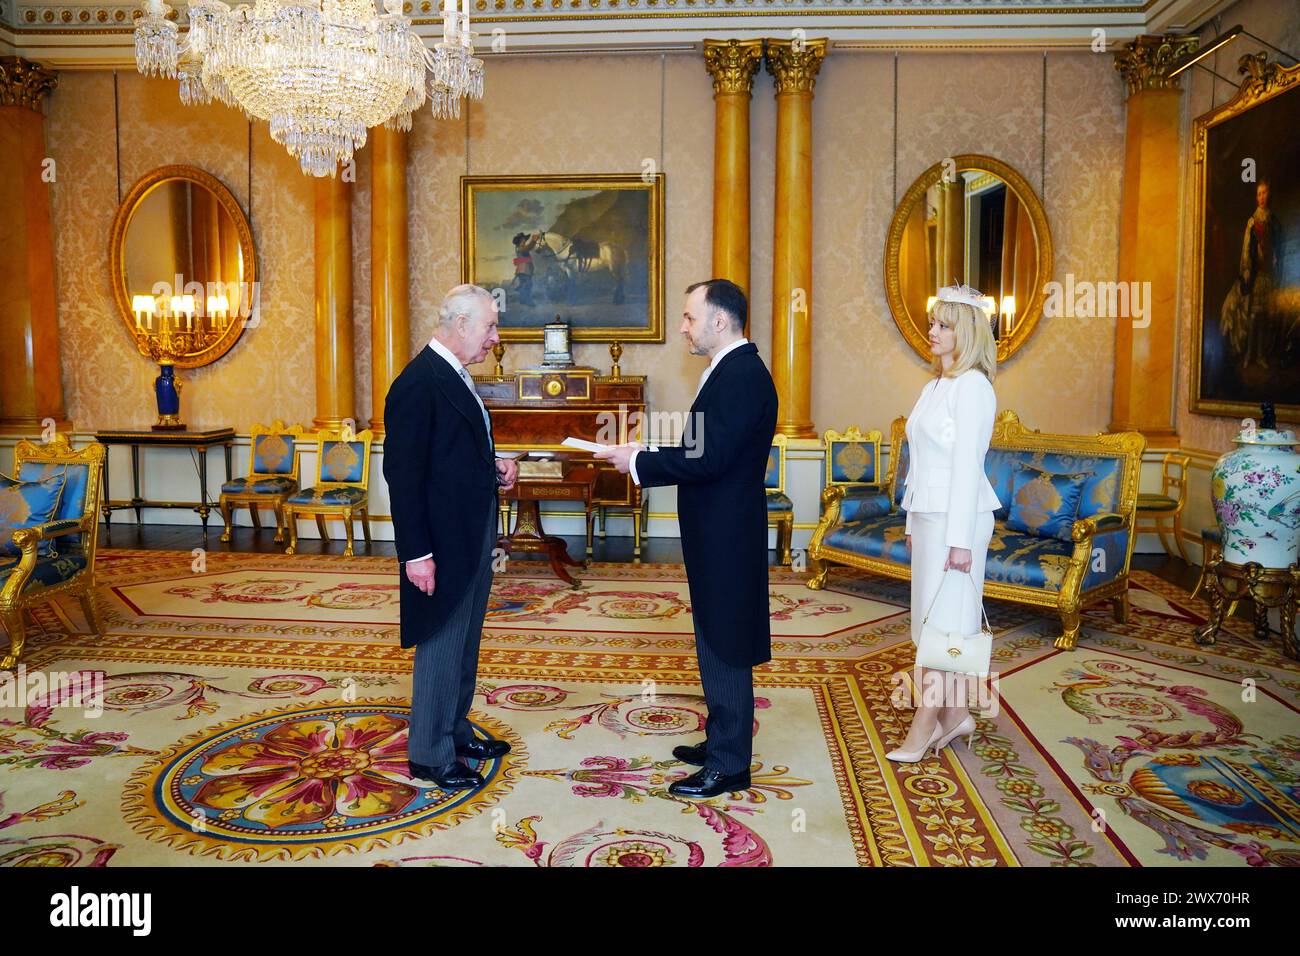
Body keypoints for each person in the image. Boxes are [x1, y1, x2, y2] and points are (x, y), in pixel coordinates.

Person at [598, 279, 777, 799]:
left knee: (726, 641)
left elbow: (707, 460)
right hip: (715, 528)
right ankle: (721, 737)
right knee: (713, 634)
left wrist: (638, 461)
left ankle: (730, 763)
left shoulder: (741, 376)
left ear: (720, 321)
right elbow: (702, 446)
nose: (683, 327)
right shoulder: (725, 371)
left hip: (727, 532)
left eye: (689, 318)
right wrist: (645, 449)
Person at [382, 284, 519, 790]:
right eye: (489, 327)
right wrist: (416, 554)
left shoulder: (455, 376)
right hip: (439, 543)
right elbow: (404, 475)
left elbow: (456, 452)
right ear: (460, 325)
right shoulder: (418, 383)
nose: (495, 338)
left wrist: (496, 465)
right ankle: (430, 755)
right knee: (441, 642)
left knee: (464, 641)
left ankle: (456, 731)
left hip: (471, 534)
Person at [889, 283, 1001, 763]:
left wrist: (959, 543)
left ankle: (922, 731)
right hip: (930, 517)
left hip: (961, 522)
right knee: (933, 624)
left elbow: (965, 469)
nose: (931, 331)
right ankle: (957, 717)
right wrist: (913, 519)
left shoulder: (975, 388)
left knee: (946, 627)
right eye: (933, 322)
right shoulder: (934, 385)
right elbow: (920, 460)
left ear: (967, 332)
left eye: (942, 325)